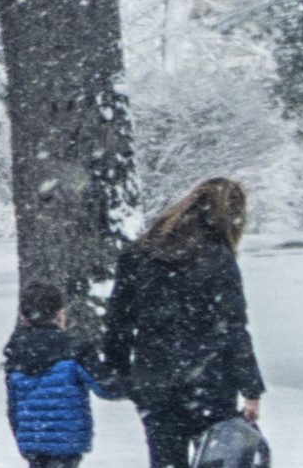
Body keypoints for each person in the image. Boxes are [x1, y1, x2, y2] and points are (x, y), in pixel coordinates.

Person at [101, 179, 268, 467]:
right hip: (210, 382)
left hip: (155, 380)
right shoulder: (217, 260)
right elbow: (234, 330)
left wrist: (120, 371)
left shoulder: (139, 255)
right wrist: (251, 390)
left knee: (165, 459)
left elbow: (118, 321)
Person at [2, 280, 99, 468]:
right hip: (68, 440)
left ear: (23, 317)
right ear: (60, 314)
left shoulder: (16, 352)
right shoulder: (75, 349)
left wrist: (22, 435)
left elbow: (13, 407)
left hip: (33, 442)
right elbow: (104, 386)